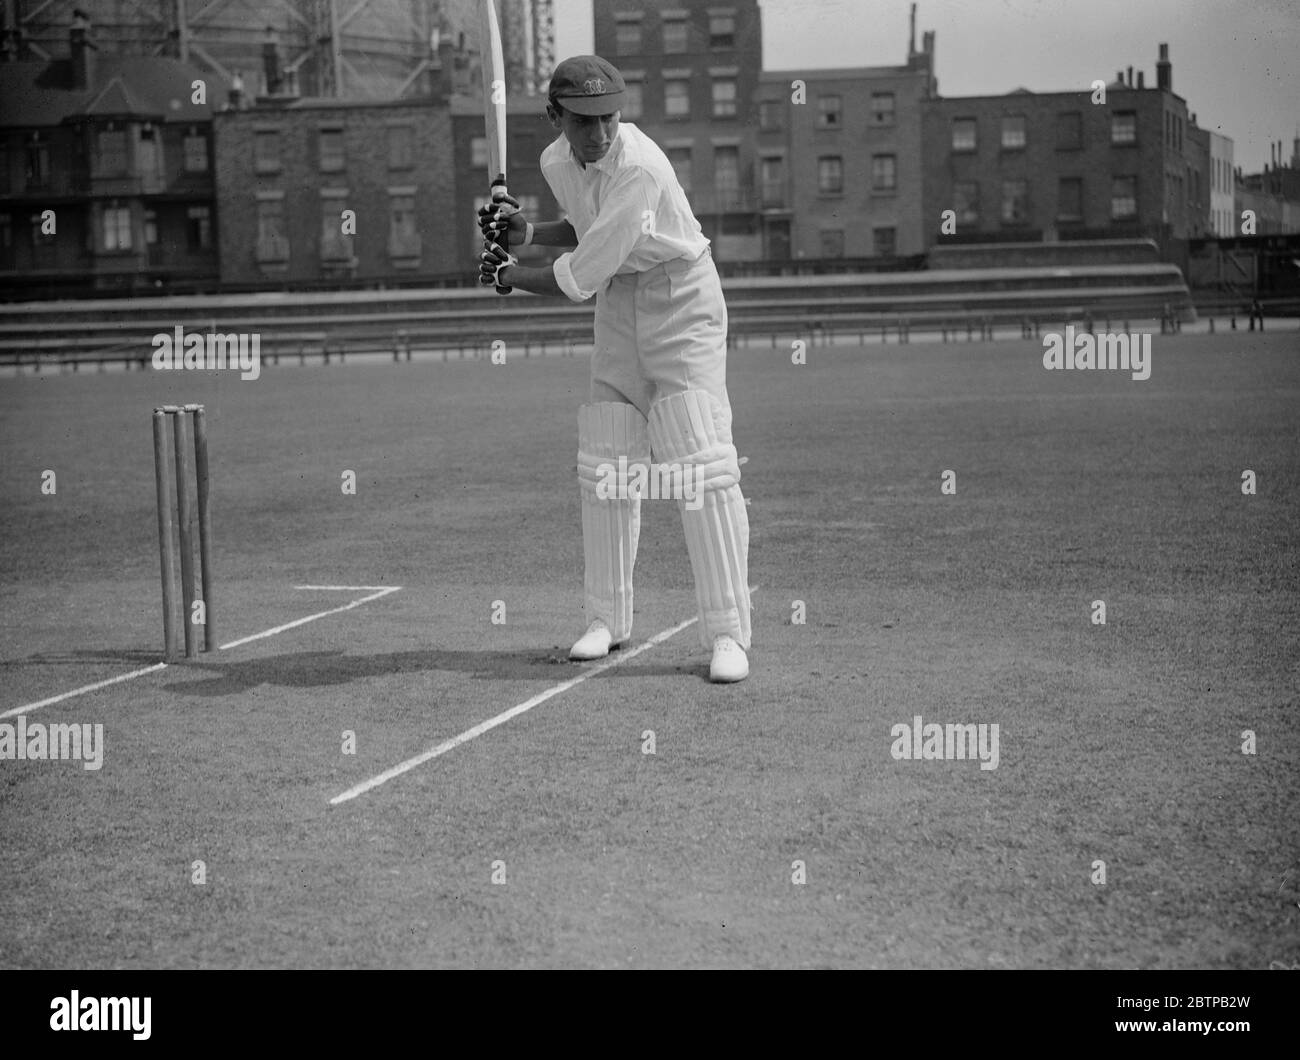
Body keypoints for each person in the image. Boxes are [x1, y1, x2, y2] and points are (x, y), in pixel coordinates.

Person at [477, 55, 751, 683]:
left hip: (680, 297)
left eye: (608, 118)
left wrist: (509, 275)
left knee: (699, 462)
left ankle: (728, 633)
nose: (599, 133)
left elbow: (584, 273)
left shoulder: (640, 168)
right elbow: (584, 229)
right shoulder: (554, 162)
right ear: (556, 118)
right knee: (607, 461)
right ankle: (607, 619)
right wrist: (523, 234)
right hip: (620, 303)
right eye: (583, 121)